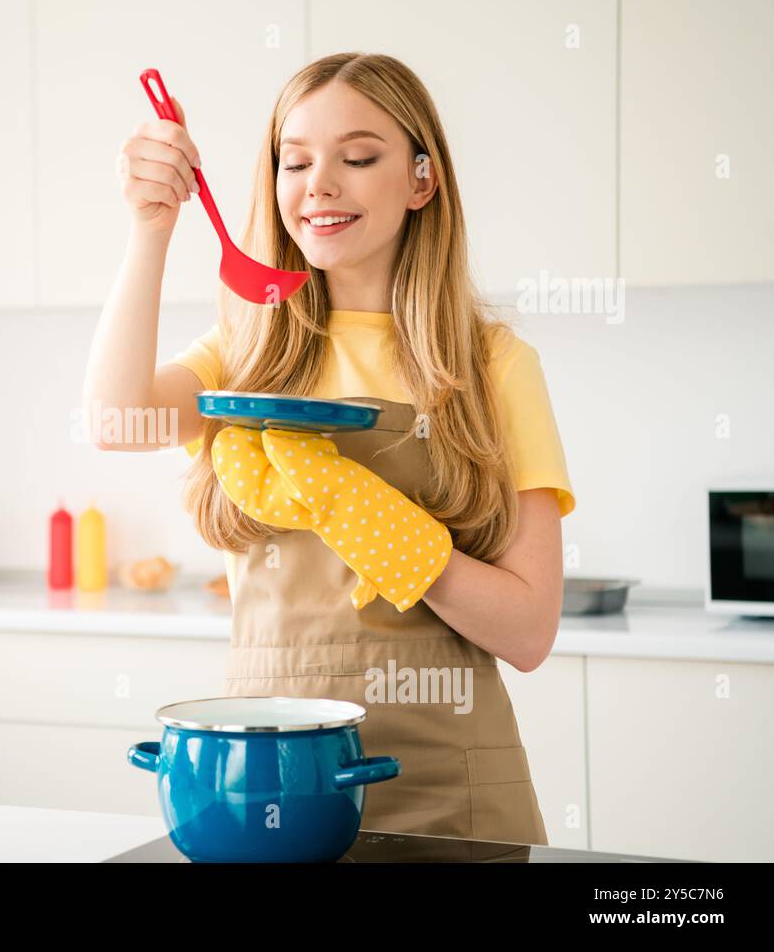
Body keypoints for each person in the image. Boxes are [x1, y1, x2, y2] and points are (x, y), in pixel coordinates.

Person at [82, 53, 575, 846]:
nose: (319, 184)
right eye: (296, 160)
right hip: (270, 790)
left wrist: (384, 529)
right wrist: (151, 230)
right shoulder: (244, 354)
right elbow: (115, 420)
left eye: (358, 156)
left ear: (421, 180)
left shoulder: (492, 366)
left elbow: (528, 632)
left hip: (450, 791)